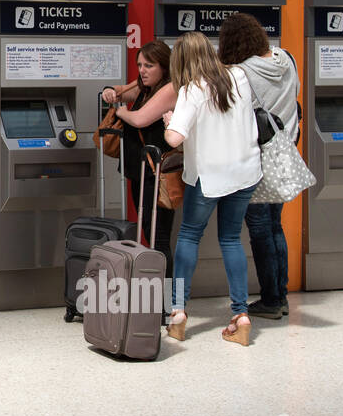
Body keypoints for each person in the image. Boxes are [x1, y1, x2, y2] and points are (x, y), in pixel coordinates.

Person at [161, 32, 262, 347]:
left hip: (209, 176)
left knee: (190, 235)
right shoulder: (239, 78)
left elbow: (174, 139)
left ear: (181, 61)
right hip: (244, 172)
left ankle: (178, 313)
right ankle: (241, 315)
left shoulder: (192, 89)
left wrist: (169, 121)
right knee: (231, 239)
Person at [218, 13, 300, 320]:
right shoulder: (286, 58)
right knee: (275, 226)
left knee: (260, 230)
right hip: (284, 152)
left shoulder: (240, 72)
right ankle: (281, 294)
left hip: (255, 157)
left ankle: (271, 298)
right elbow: (295, 96)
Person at [101, 41, 178, 278]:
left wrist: (121, 111)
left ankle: (167, 300)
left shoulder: (170, 88)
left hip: (158, 175)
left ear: (164, 67)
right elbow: (121, 90)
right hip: (140, 171)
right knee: (149, 232)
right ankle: (158, 296)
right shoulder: (146, 87)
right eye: (140, 65)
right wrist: (110, 91)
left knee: (159, 237)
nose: (142, 70)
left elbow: (140, 119)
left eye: (149, 65)